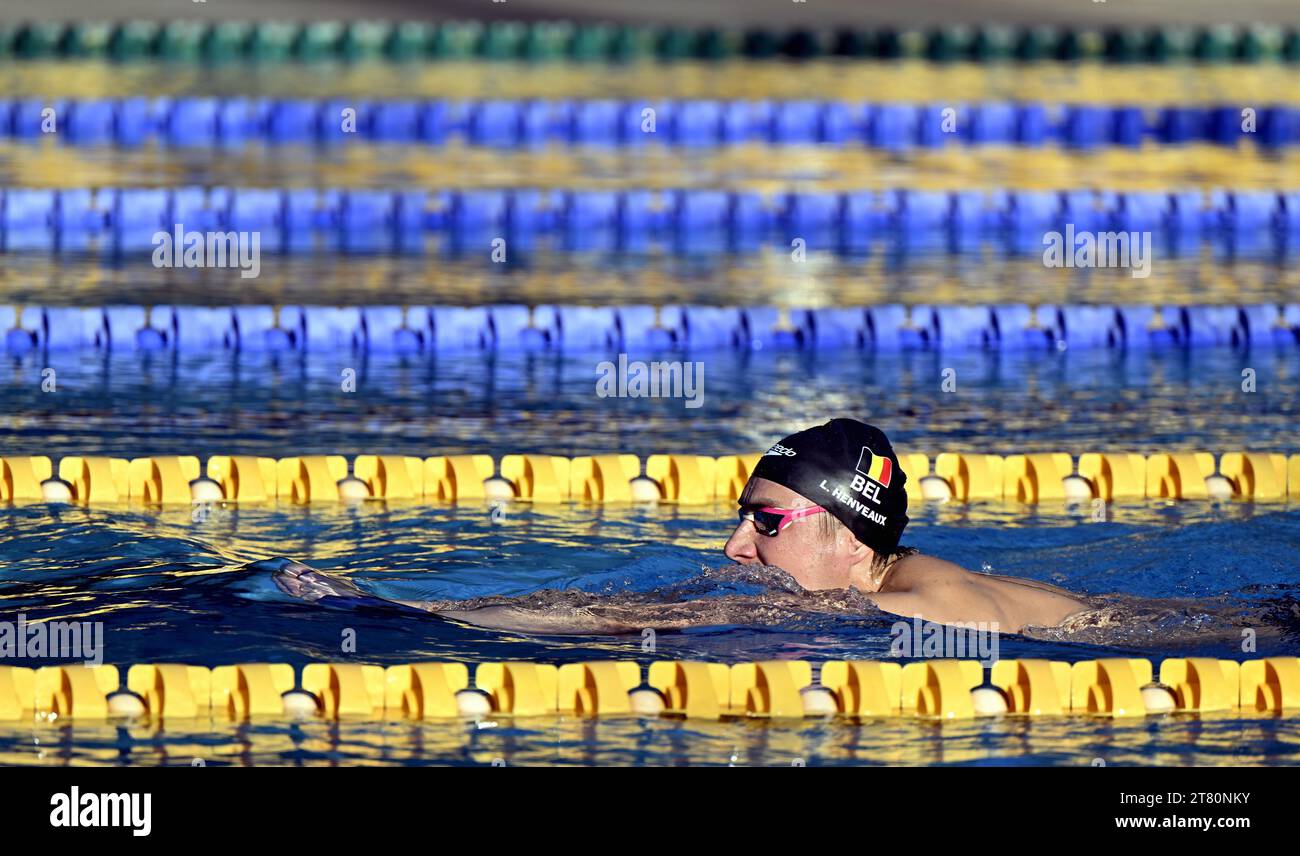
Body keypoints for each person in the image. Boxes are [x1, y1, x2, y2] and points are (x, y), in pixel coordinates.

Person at [269, 419, 1090, 635]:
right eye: (740, 518)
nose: (736, 545)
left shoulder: (920, 610)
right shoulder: (884, 582)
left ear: (847, 534)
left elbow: (631, 618)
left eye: (766, 522)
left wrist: (405, 615)